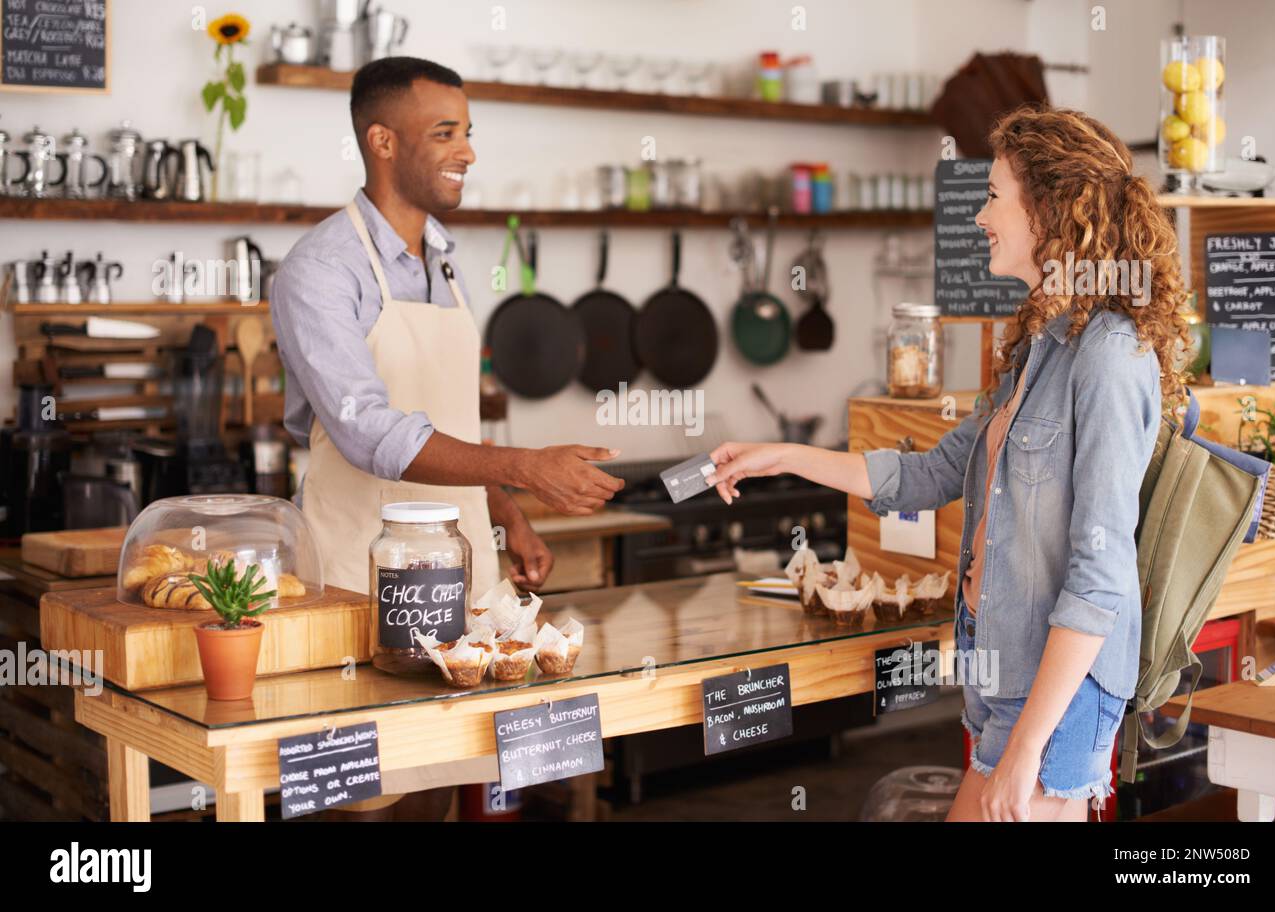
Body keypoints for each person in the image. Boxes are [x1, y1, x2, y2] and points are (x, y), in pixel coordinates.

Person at [706, 106, 1190, 822]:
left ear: (1052, 208)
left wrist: (1027, 748)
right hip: (1004, 684)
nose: (979, 216)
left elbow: (1101, 574)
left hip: (1054, 705)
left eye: (994, 195)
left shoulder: (1110, 355)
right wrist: (780, 456)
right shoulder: (1039, 347)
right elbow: (927, 475)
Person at [270, 56, 624, 818]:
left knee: (443, 790)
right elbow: (370, 431)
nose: (467, 151)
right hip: (361, 583)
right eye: (445, 132)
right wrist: (525, 466)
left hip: (462, 580)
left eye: (468, 132)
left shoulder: (445, 259)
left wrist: (504, 509)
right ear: (383, 142)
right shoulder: (319, 271)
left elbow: (446, 422)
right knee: (365, 800)